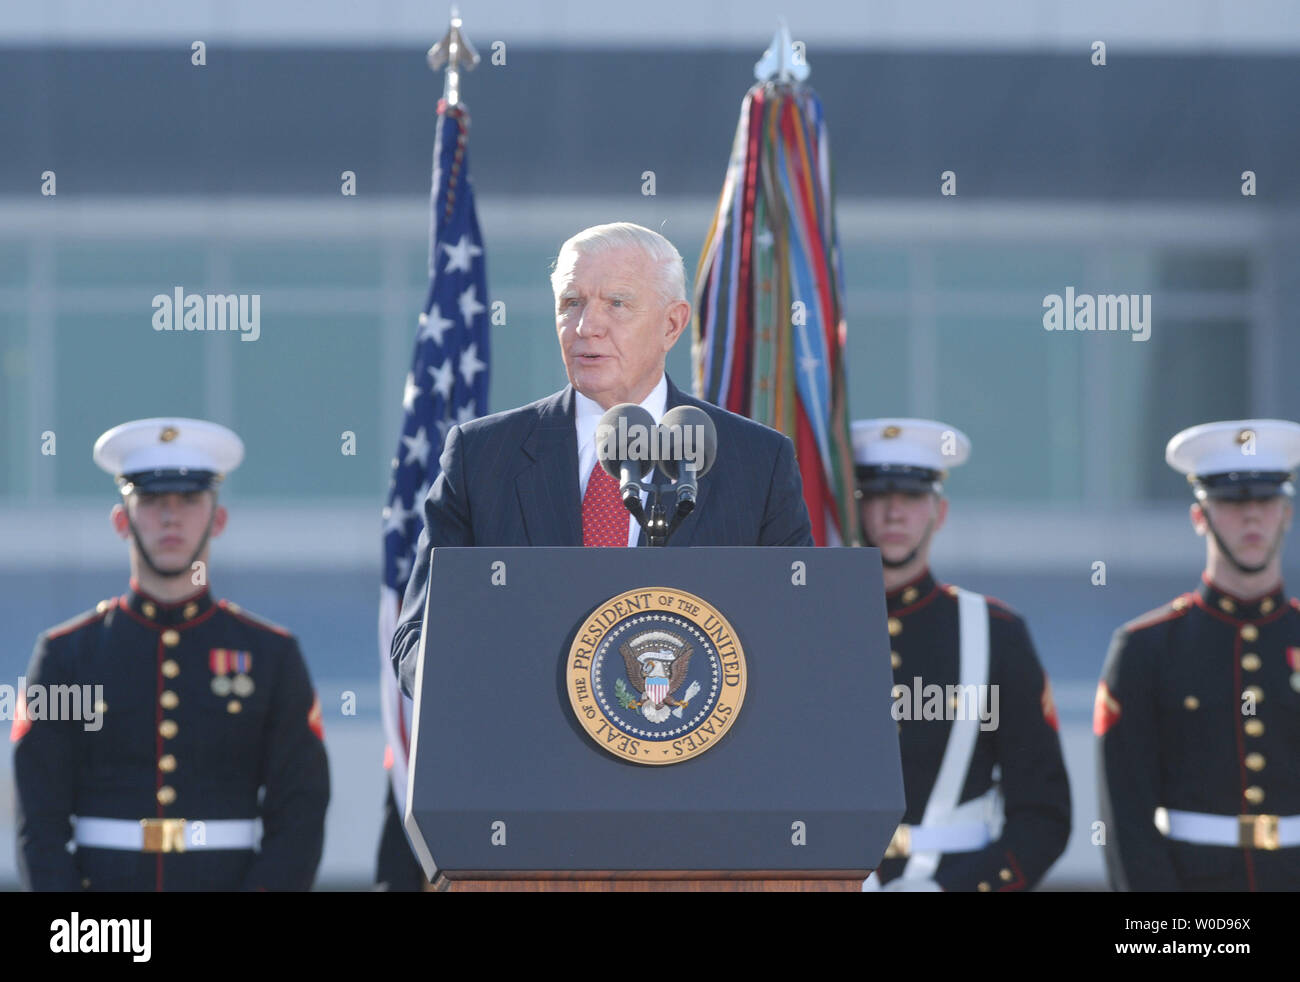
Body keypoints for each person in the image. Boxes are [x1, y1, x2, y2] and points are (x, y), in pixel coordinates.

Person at [390, 222, 813, 696]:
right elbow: (416, 638)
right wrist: (476, 678)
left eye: (617, 303)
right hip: (527, 752)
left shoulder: (756, 462)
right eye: (571, 303)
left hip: (698, 758)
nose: (586, 326)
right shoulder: (481, 456)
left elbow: (797, 633)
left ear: (672, 325)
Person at [13, 418, 330, 891]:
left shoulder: (271, 655)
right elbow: (38, 819)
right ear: (122, 520)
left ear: (217, 519)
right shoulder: (65, 657)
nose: (170, 517)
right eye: (153, 500)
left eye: (189, 500)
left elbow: (300, 812)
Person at [854, 418, 1070, 892]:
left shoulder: (997, 633)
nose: (894, 513)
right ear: (857, 508)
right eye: (877, 495)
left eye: (911, 497)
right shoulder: (814, 626)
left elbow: (1043, 814)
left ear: (940, 511)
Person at [1097, 418, 1300, 891]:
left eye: (1267, 501)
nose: (1252, 517)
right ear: (1199, 517)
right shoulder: (1145, 647)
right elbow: (1126, 819)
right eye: (1231, 502)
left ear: (1287, 514)